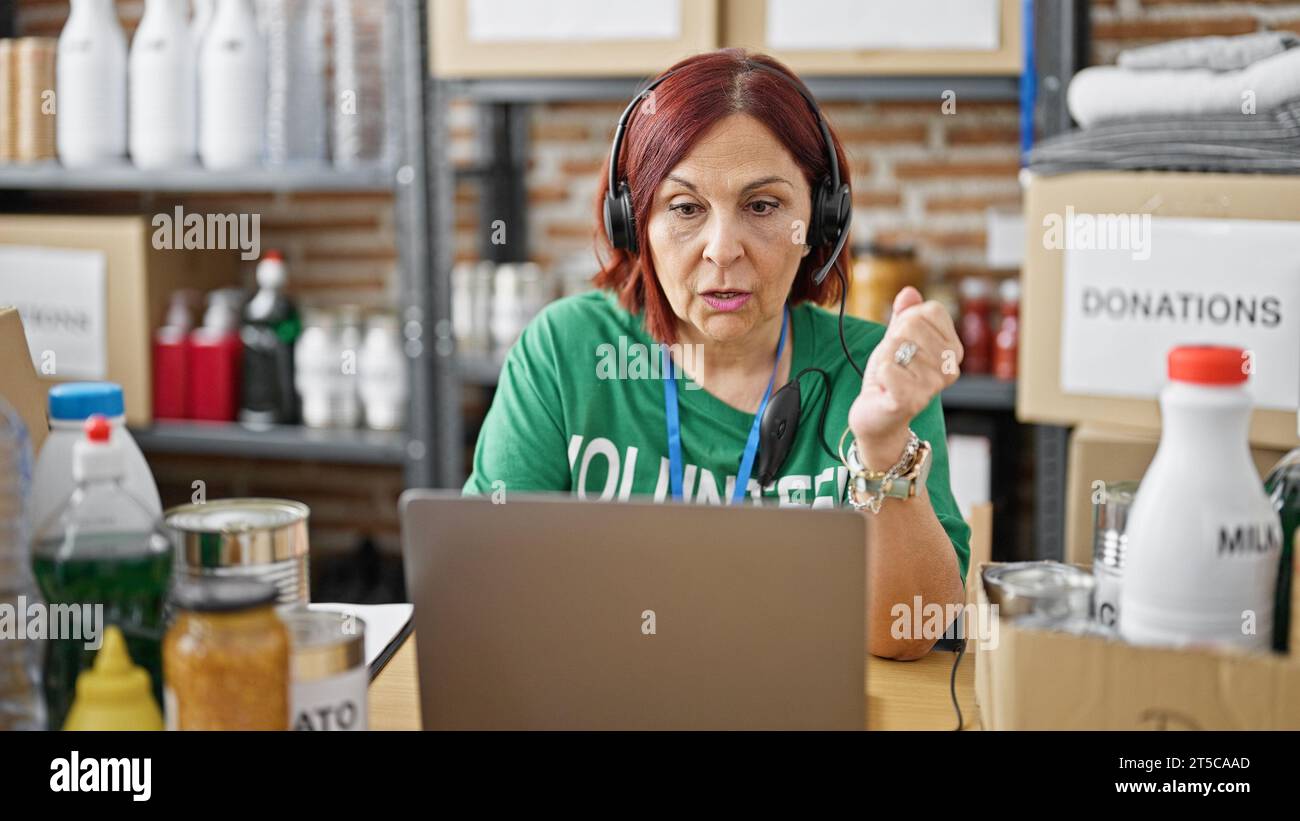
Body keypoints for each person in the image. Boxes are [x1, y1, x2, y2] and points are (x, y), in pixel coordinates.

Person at [465, 49, 969, 660]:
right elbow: (488, 593)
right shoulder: (566, 351)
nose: (722, 250)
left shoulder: (874, 372)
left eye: (762, 207)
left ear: (820, 221)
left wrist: (882, 443)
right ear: (634, 224)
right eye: (685, 208)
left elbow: (911, 631)